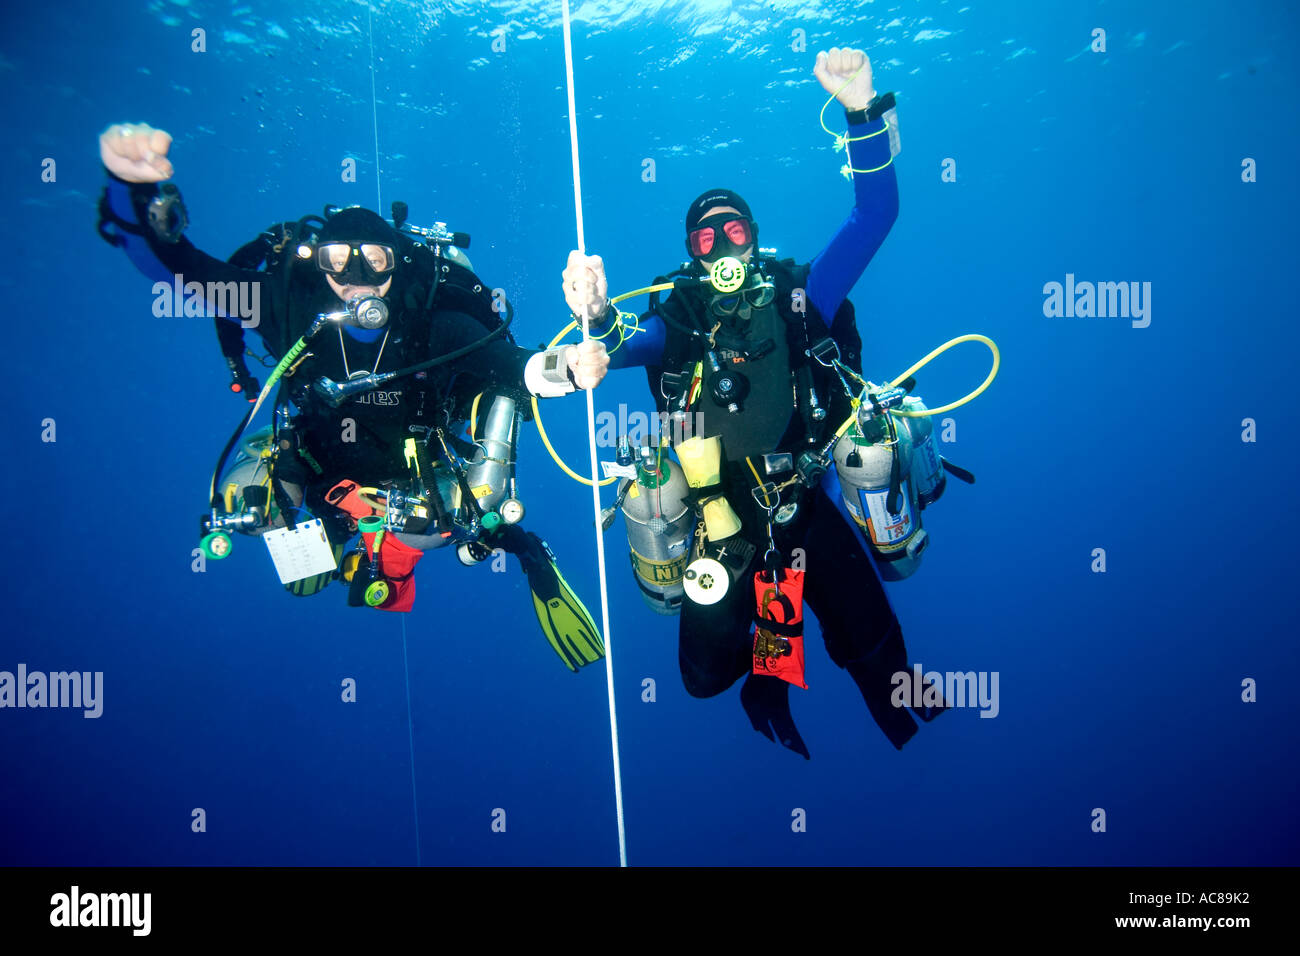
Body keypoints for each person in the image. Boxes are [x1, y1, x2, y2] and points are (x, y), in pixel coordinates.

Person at [97, 122, 611, 673]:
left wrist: (572, 366)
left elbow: (516, 368)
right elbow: (183, 273)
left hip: (418, 480)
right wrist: (132, 195)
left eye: (376, 260)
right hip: (316, 465)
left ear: (398, 261)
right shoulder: (287, 308)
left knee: (442, 532)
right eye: (338, 260)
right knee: (258, 520)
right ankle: (324, 532)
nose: (358, 277)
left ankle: (502, 552)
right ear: (318, 262)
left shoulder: (431, 320)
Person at [561, 47, 945, 752]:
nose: (723, 244)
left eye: (734, 229)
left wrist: (861, 109)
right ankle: (767, 672)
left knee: (878, 645)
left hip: (804, 497)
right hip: (720, 517)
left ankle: (902, 717)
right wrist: (592, 328)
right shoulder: (679, 319)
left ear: (755, 237)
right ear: (692, 252)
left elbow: (875, 214)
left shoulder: (802, 299)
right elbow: (626, 344)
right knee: (704, 678)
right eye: (707, 236)